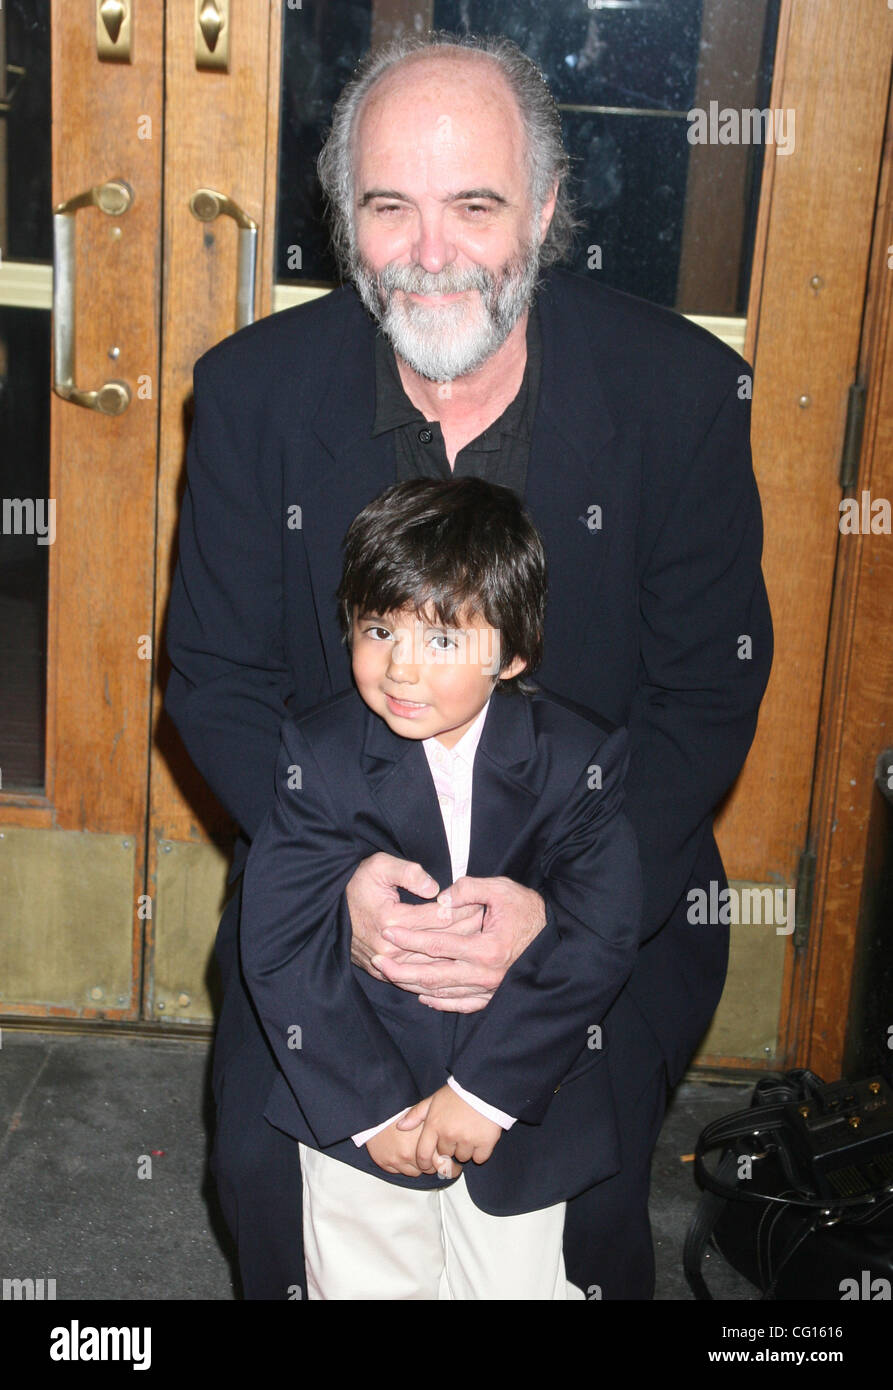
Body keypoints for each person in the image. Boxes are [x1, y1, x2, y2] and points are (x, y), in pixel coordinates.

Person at [164, 30, 772, 1299]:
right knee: (267, 1185)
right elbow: (214, 682)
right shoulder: (248, 396)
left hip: (596, 887)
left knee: (574, 1215)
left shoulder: (680, 397)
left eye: (474, 204)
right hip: (323, 879)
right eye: (388, 206)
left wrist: (561, 909)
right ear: (345, 220)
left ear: (545, 211)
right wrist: (334, 880)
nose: (430, 251)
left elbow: (704, 688)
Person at [238, 476, 643, 1300]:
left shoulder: (578, 760)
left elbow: (597, 938)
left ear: (515, 653)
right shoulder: (315, 756)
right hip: (359, 1099)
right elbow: (279, 942)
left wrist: (484, 1096)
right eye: (378, 628)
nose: (400, 669)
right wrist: (371, 1113)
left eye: (445, 641)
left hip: (520, 1105)